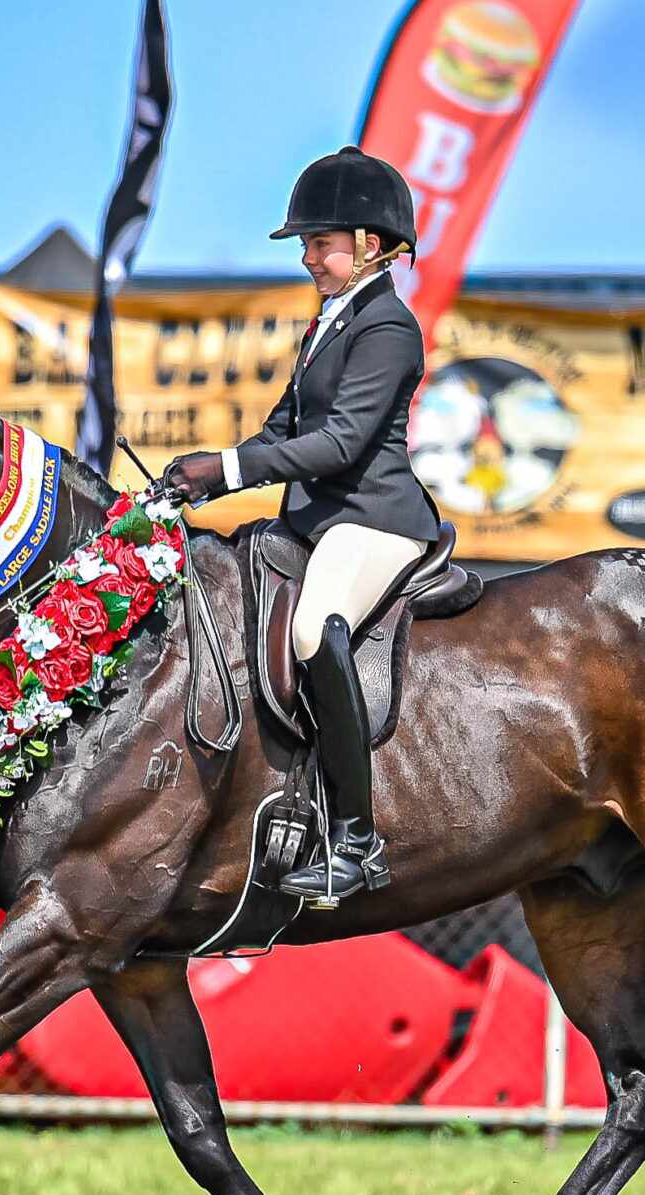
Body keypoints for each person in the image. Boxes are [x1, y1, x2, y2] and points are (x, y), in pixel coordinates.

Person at [161, 145, 442, 907]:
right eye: (309, 245)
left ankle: (358, 841)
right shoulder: (329, 319)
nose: (311, 258)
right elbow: (283, 427)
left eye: (322, 242)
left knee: (316, 627)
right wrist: (196, 476)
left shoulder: (388, 327)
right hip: (316, 518)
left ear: (371, 246)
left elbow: (341, 443)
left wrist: (226, 469)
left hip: (374, 517)